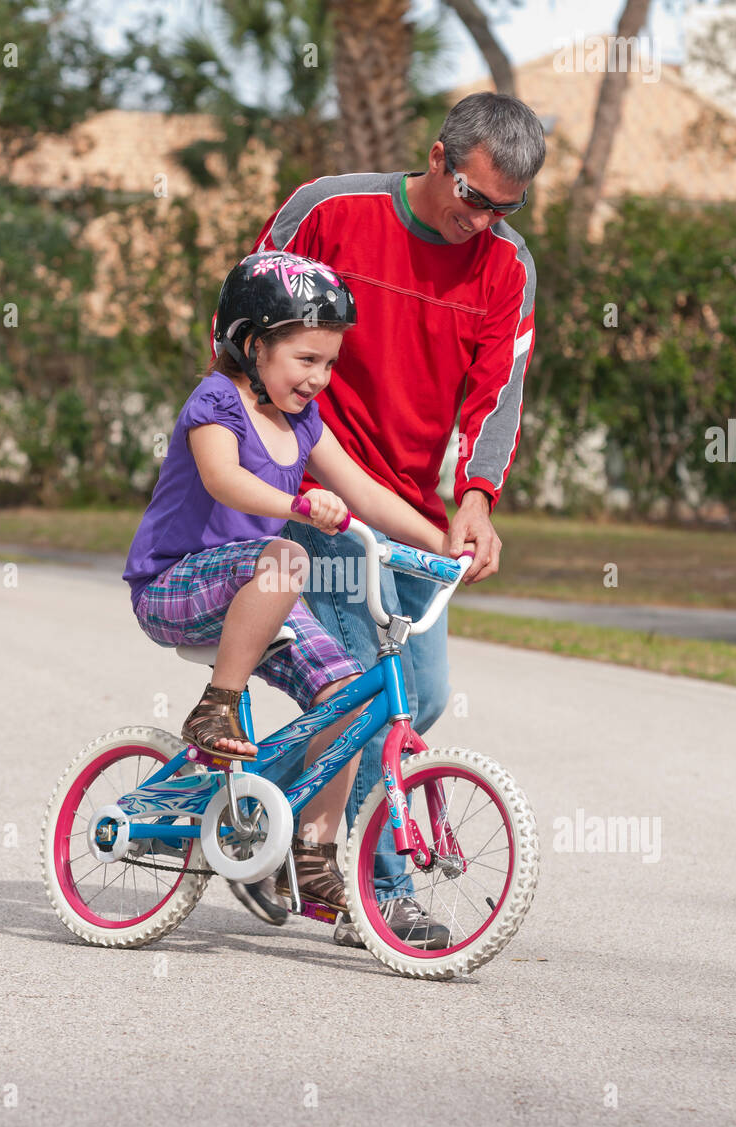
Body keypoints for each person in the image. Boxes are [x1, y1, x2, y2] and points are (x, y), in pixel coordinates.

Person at [227, 90, 547, 948]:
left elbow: (496, 398)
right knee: (361, 679)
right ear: (439, 157)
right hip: (315, 489)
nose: (483, 223)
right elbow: (240, 327)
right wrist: (271, 449)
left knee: (424, 694)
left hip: (406, 511)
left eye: (504, 209)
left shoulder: (505, 267)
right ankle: (375, 885)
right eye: (473, 199)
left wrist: (475, 499)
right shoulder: (330, 209)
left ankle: (265, 819)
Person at [123, 251, 464, 924]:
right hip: (175, 584)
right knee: (283, 556)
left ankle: (309, 857)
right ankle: (215, 706)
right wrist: (300, 507)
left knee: (347, 699)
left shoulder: (305, 422)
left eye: (330, 363)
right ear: (251, 344)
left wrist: (442, 540)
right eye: (306, 359)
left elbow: (365, 492)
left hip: (258, 589)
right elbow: (224, 480)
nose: (320, 377)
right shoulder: (215, 401)